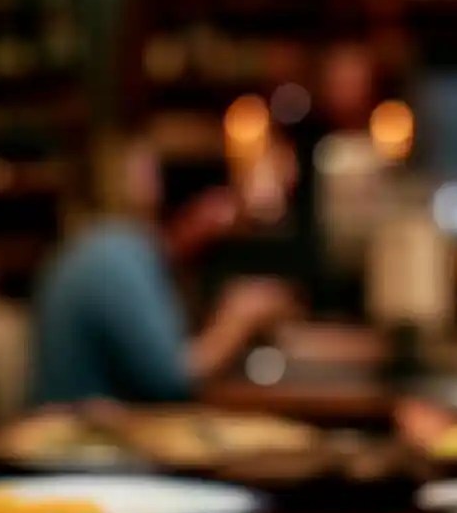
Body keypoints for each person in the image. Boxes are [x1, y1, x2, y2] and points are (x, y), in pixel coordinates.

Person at [30, 132, 296, 405]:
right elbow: (172, 381)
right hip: (74, 429)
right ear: (205, 207)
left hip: (106, 424)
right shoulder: (116, 259)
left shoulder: (129, 251)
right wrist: (237, 321)